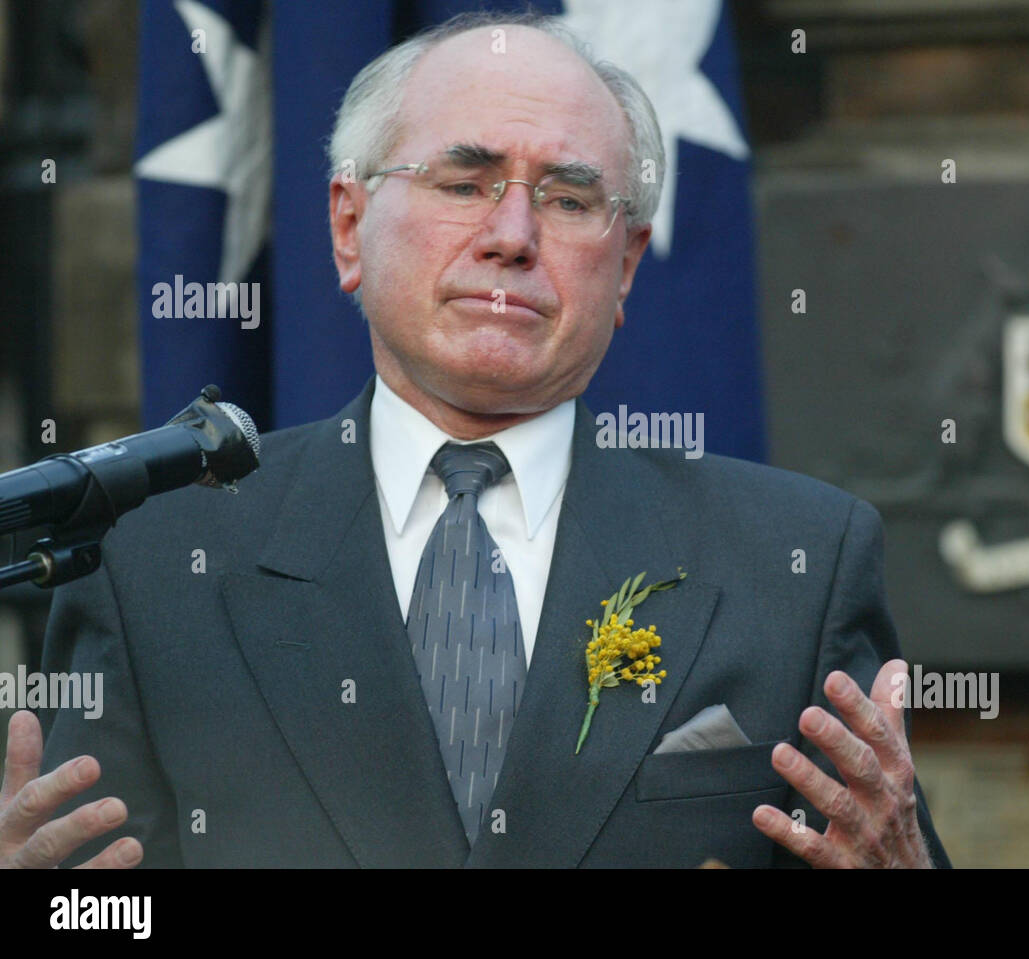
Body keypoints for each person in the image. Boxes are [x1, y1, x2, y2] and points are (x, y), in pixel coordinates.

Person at [1, 11, 950, 868]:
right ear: (347, 226)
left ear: (625, 268)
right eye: (464, 181)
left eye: (571, 200)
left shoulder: (795, 560)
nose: (512, 234)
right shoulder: (153, 563)